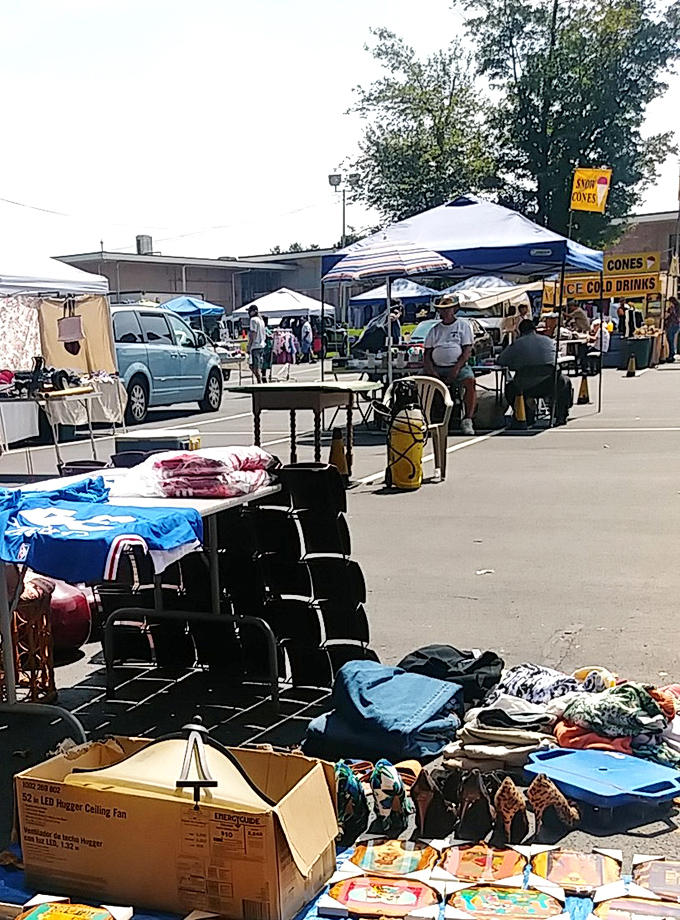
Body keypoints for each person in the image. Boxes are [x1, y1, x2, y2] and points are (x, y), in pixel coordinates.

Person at [498, 319, 573, 426]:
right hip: (551, 383)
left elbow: (501, 360)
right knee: (565, 381)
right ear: (535, 329)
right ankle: (561, 415)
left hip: (526, 386)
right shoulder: (548, 341)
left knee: (510, 389)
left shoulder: (517, 344)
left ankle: (525, 415)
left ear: (520, 331)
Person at [423, 293, 477, 436]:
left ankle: (467, 420)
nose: (444, 312)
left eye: (447, 309)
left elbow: (467, 351)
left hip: (458, 365)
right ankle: (424, 417)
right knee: (419, 384)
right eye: (442, 309)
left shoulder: (463, 326)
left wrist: (457, 368)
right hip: (437, 366)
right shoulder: (434, 330)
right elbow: (427, 353)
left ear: (454, 310)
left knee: (470, 381)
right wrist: (431, 371)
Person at [247, 304, 266, 383]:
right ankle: (260, 380)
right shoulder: (261, 320)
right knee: (258, 366)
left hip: (255, 346)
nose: (249, 313)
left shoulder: (253, 320)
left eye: (250, 311)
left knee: (254, 366)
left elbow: (253, 333)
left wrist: (249, 345)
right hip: (262, 345)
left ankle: (259, 381)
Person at [665, 296, 680, 363]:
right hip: (676, 324)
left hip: (673, 324)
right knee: (671, 339)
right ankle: (672, 353)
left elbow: (669, 315)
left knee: (670, 339)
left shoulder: (674, 307)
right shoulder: (677, 306)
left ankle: (671, 354)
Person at [262, 316, 274, 382]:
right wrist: (271, 336)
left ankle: (266, 376)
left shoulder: (267, 328)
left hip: (269, 347)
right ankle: (263, 377)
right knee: (264, 363)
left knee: (268, 362)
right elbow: (267, 336)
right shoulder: (263, 328)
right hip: (265, 348)